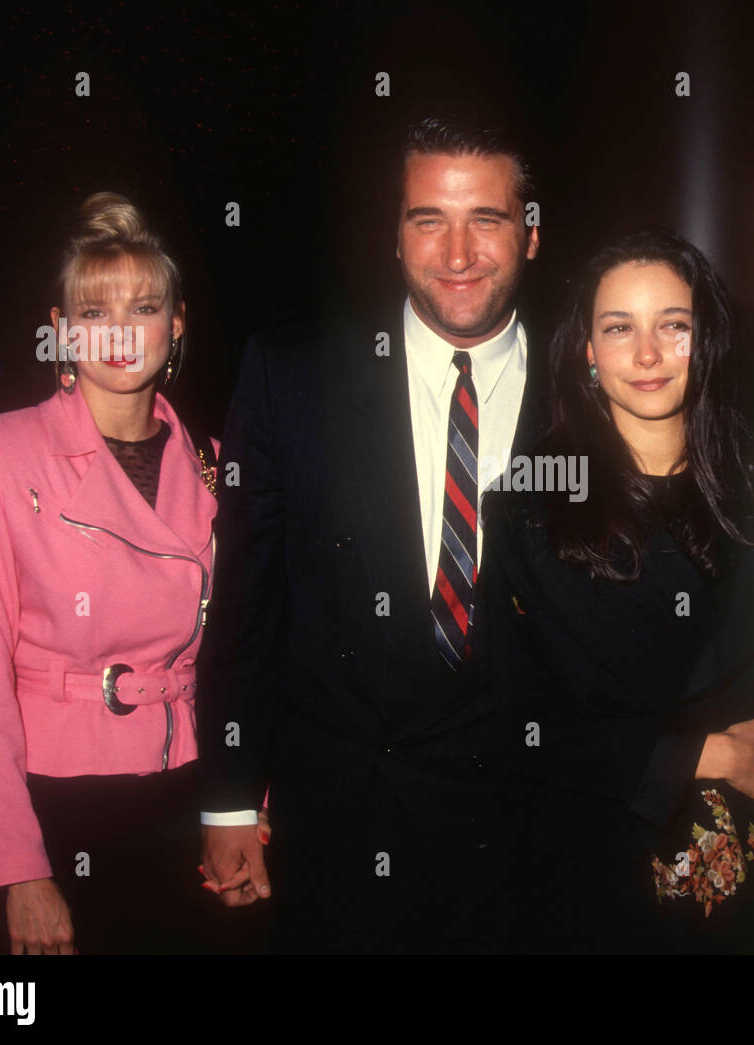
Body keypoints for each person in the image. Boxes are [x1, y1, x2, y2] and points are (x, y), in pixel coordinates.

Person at [196, 115, 545, 952]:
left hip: (527, 844)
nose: (457, 253)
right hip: (341, 841)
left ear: (532, 234)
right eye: (428, 220)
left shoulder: (597, 388)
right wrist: (231, 798)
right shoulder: (292, 377)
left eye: (486, 220)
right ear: (396, 235)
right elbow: (245, 603)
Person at [0, 192, 227, 953]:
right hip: (53, 806)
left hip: (191, 794)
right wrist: (18, 866)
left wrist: (243, 804)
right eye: (94, 313)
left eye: (145, 305)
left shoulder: (221, 465)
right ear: (60, 333)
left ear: (178, 322)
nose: (122, 332)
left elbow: (249, 652)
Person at [481, 227, 754, 953]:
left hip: (743, 877)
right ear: (586, 348)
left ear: (705, 340)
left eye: (673, 327)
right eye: (619, 328)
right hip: (586, 878)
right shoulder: (527, 506)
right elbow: (509, 717)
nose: (647, 355)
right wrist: (693, 755)